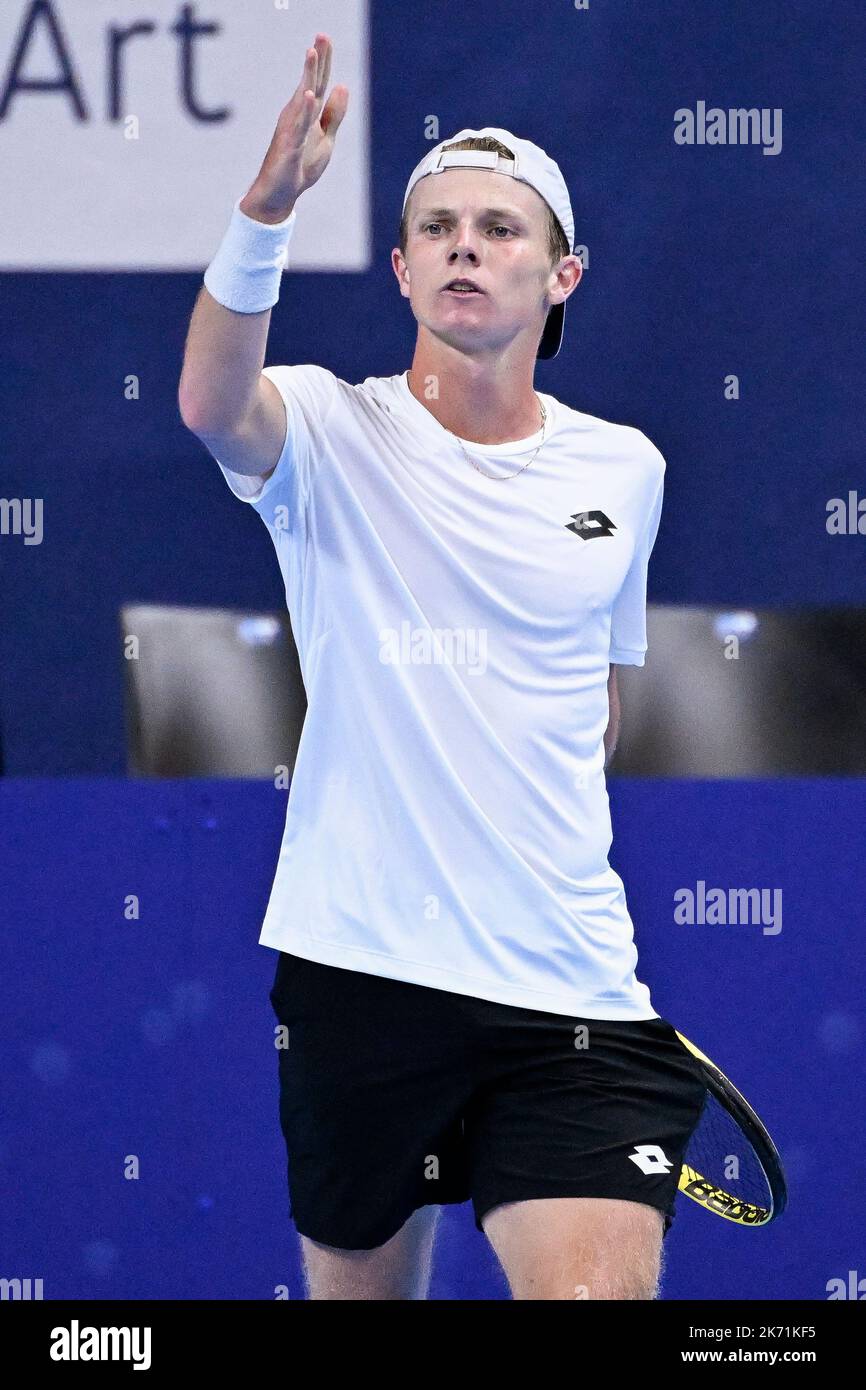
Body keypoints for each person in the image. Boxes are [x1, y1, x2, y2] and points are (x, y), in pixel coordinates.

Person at [178, 33, 707, 1300]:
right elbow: (208, 400)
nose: (467, 244)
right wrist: (265, 211)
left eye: (500, 228)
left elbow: (598, 699)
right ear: (406, 269)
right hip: (361, 980)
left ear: (560, 273)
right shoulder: (322, 429)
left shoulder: (622, 470)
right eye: (440, 228)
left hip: (571, 991)